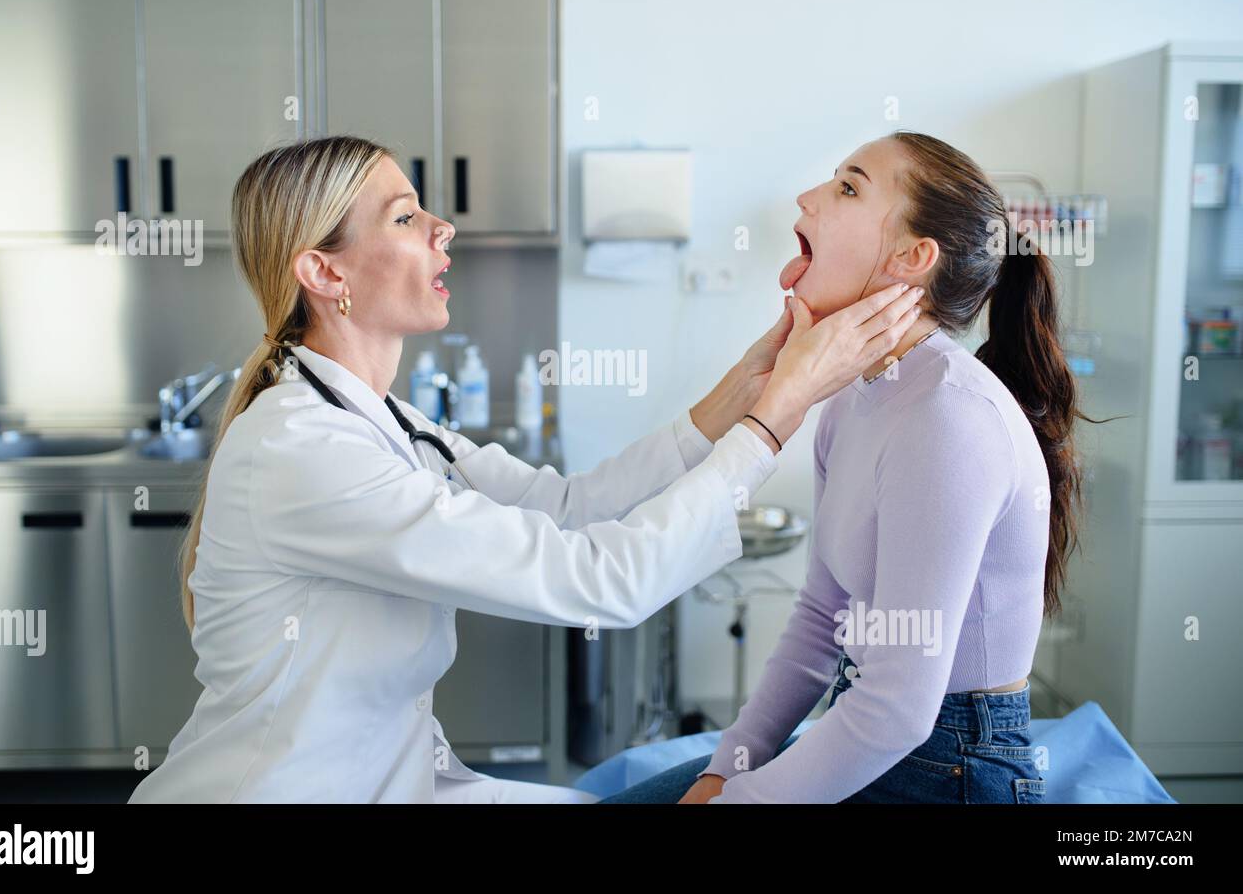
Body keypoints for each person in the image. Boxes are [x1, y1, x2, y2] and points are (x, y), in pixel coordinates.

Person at [128, 135, 922, 803]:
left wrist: (745, 388)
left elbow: (569, 505)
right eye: (405, 217)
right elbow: (599, 581)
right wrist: (773, 420)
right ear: (326, 274)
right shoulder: (300, 450)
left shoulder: (387, 423)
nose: (443, 229)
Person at [604, 131, 1082, 804]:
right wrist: (728, 765)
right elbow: (823, 614)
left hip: (952, 769)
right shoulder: (856, 396)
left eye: (848, 187)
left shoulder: (948, 416)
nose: (807, 198)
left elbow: (897, 709)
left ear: (911, 258)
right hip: (871, 732)